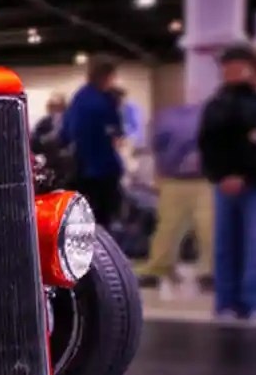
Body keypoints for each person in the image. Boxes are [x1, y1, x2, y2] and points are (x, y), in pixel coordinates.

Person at [198, 44, 256, 319]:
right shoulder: (222, 102)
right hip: (230, 183)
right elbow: (212, 143)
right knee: (227, 245)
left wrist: (249, 169)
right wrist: (224, 174)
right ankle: (227, 302)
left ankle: (252, 301)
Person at [135, 103, 212, 291]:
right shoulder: (211, 112)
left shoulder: (166, 117)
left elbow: (156, 145)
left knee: (169, 228)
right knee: (208, 227)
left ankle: (159, 267)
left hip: (175, 178)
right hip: (202, 178)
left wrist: (160, 170)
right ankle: (209, 271)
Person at [61, 56, 125, 227]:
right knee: (104, 219)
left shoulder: (79, 98)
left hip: (81, 170)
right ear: (108, 76)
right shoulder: (104, 101)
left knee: (84, 219)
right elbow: (116, 133)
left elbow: (65, 133)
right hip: (102, 169)